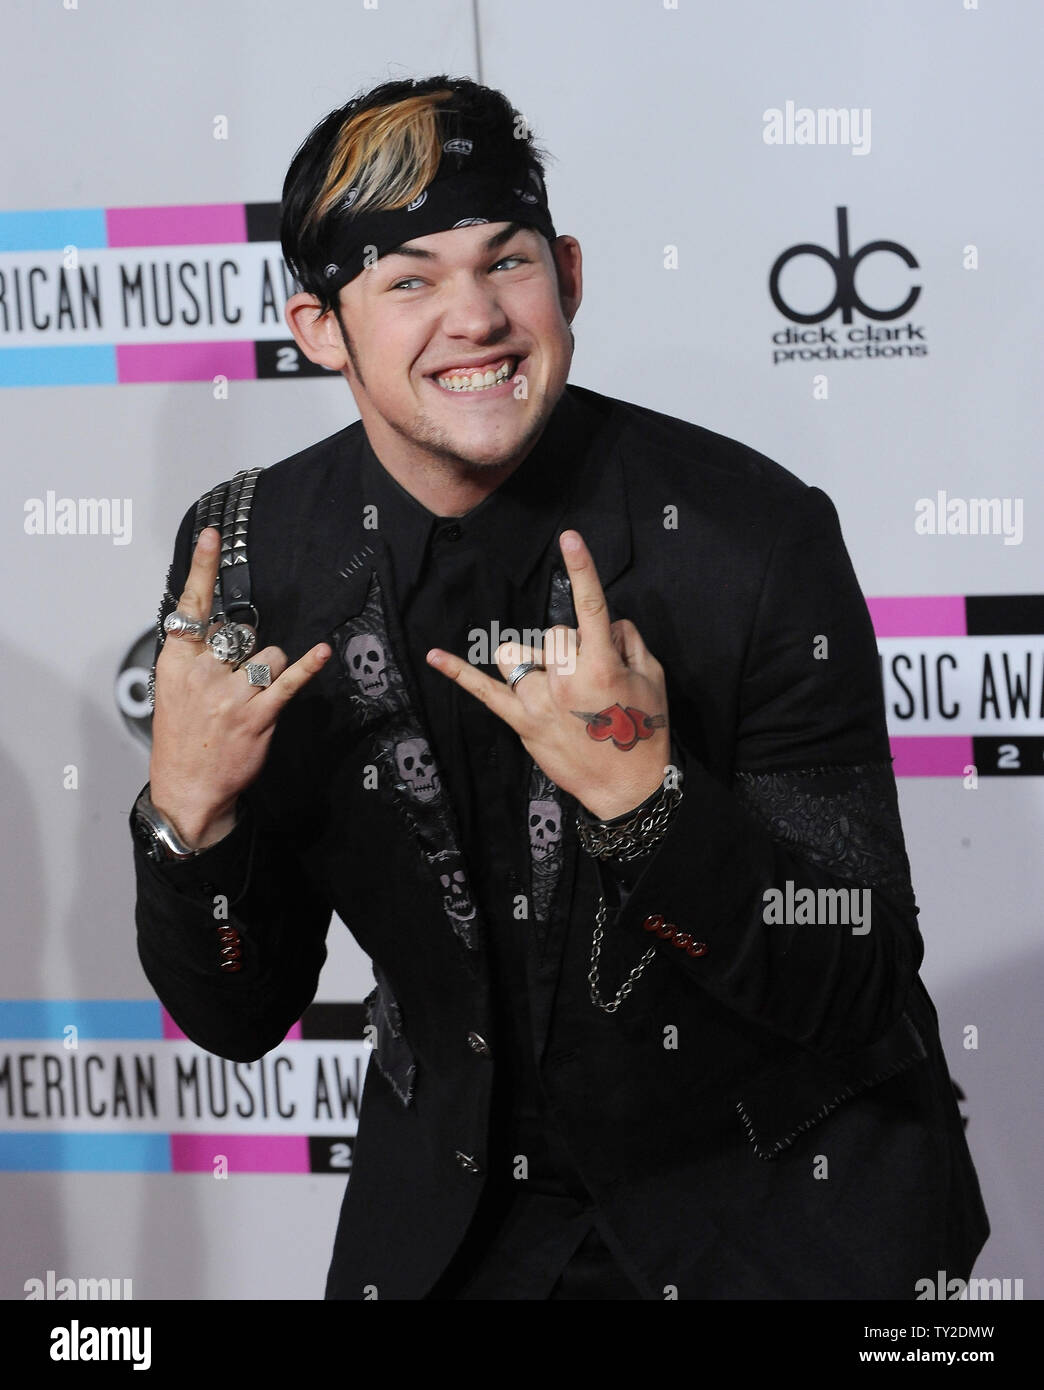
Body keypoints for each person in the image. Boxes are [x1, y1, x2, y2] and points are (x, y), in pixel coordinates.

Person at [129, 75, 989, 1300]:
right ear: (320, 327)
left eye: (508, 261)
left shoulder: (751, 538)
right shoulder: (255, 560)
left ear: (569, 274)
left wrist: (652, 805)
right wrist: (186, 820)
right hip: (460, 1233)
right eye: (409, 279)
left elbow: (855, 966)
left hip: (781, 1216)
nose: (474, 317)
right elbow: (237, 1011)